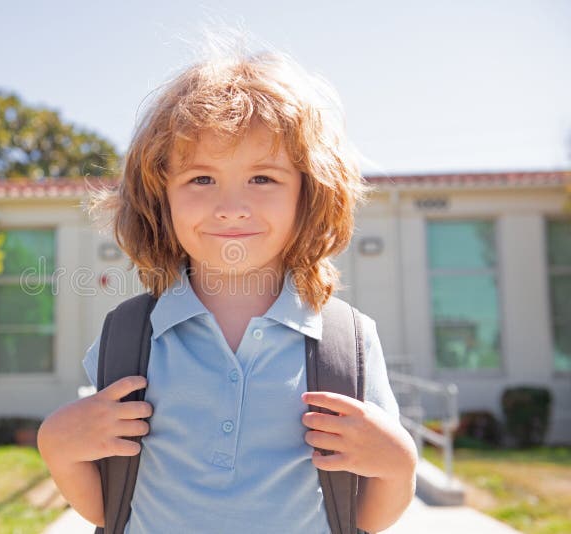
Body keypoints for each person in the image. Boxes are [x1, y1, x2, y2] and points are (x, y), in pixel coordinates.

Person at [37, 35, 418, 533]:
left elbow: (368, 518)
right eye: (201, 179)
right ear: (160, 198)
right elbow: (108, 509)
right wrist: (58, 448)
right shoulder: (129, 335)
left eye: (263, 179)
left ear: (310, 194)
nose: (232, 206)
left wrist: (399, 465)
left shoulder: (346, 342)